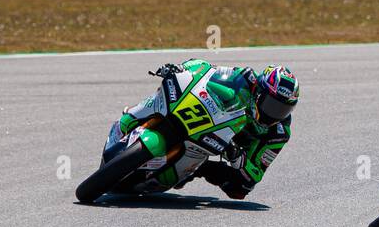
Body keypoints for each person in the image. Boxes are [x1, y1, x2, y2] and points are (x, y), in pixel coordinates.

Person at [118, 59, 297, 199]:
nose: (275, 114)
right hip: (213, 120)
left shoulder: (278, 133)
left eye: (283, 109)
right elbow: (206, 69)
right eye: (272, 105)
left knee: (240, 188)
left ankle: (194, 168)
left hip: (230, 147)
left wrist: (237, 156)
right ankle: (131, 117)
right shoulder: (246, 77)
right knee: (166, 92)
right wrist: (181, 68)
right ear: (260, 92)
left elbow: (256, 174)